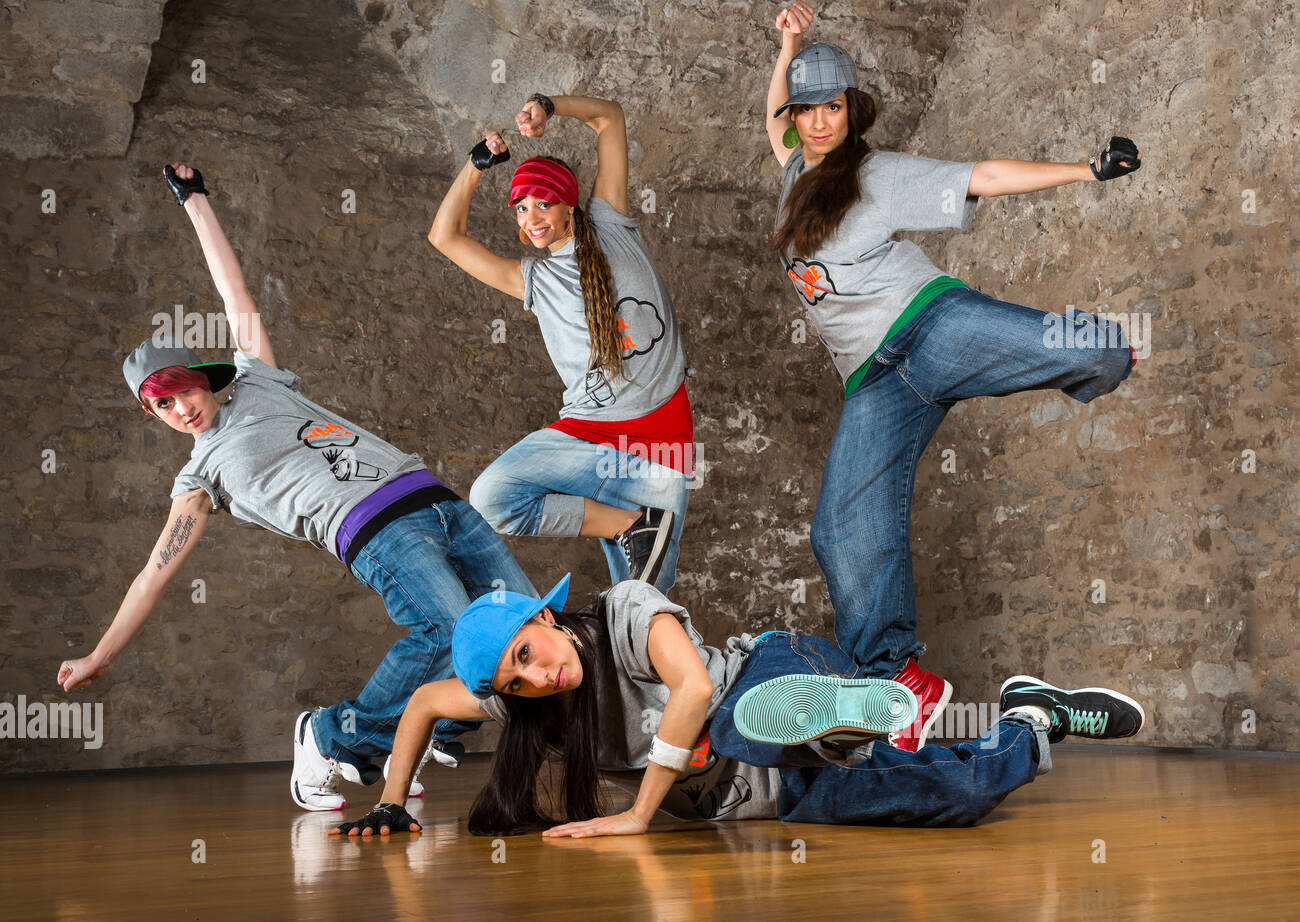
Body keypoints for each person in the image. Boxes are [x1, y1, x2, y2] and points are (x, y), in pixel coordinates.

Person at [55, 163, 538, 812]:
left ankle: (437, 728)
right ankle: (331, 736)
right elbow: (153, 574)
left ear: (200, 377)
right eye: (162, 408)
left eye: (182, 392)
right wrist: (98, 655)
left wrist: (195, 199)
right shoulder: (201, 477)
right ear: (153, 414)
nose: (180, 411)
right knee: (448, 628)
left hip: (436, 498)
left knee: (529, 622)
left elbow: (234, 292)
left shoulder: (258, 380)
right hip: (379, 532)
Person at [762, 5, 1143, 752]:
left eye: (831, 108)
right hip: (875, 383)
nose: (816, 123)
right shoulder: (788, 173)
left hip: (928, 329)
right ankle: (899, 684)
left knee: (1091, 348)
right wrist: (790, 45)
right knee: (838, 528)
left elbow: (985, 176)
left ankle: (1109, 353)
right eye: (805, 111)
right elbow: (770, 111)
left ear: (851, 110)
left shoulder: (878, 173)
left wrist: (1083, 169)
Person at [331, 575, 1144, 837]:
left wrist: (638, 813)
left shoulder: (622, 612)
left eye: (526, 654)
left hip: (771, 667)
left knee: (729, 719)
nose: (535, 679)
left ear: (543, 619)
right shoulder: (525, 709)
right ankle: (1032, 719)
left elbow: (691, 687)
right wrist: (393, 804)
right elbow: (421, 708)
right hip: (771, 795)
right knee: (961, 796)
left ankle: (833, 711)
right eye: (515, 683)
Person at [428, 92, 692, 594]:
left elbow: (609, 118)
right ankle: (624, 524)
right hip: (587, 438)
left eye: (543, 202)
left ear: (569, 203)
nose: (532, 216)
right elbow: (446, 237)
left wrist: (548, 107)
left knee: (644, 608)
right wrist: (476, 165)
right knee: (492, 496)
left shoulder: (612, 224)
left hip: (659, 442)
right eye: (522, 208)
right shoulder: (533, 278)